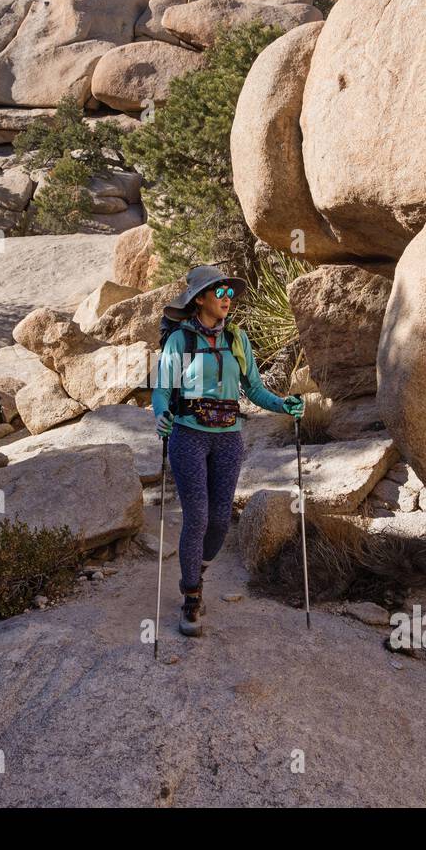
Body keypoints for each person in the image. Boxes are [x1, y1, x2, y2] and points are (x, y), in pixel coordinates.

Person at [151, 264, 304, 637]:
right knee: (198, 517)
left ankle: (196, 572)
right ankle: (190, 597)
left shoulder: (238, 339)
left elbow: (253, 389)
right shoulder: (181, 341)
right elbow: (162, 388)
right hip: (188, 436)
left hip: (229, 438)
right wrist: (162, 415)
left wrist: (284, 405)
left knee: (221, 519)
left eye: (230, 293)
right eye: (219, 292)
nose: (227, 298)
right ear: (199, 298)